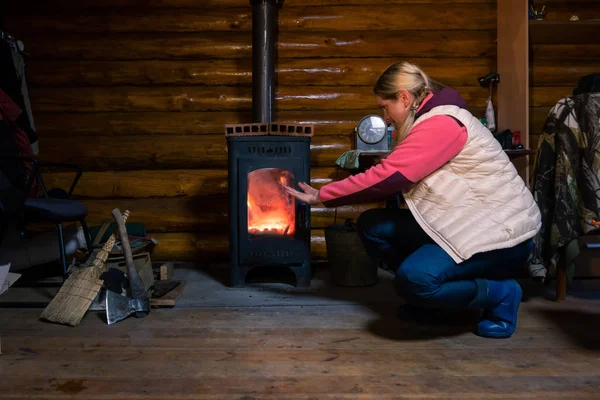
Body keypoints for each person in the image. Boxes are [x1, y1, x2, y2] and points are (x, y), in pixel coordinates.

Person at [285, 61, 542, 339]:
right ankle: (436, 299)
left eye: (385, 106)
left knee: (415, 279)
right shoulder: (430, 119)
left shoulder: (442, 122)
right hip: (466, 221)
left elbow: (392, 177)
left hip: (501, 235)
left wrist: (322, 195)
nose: (385, 117)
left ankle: (501, 293)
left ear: (405, 98)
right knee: (374, 225)